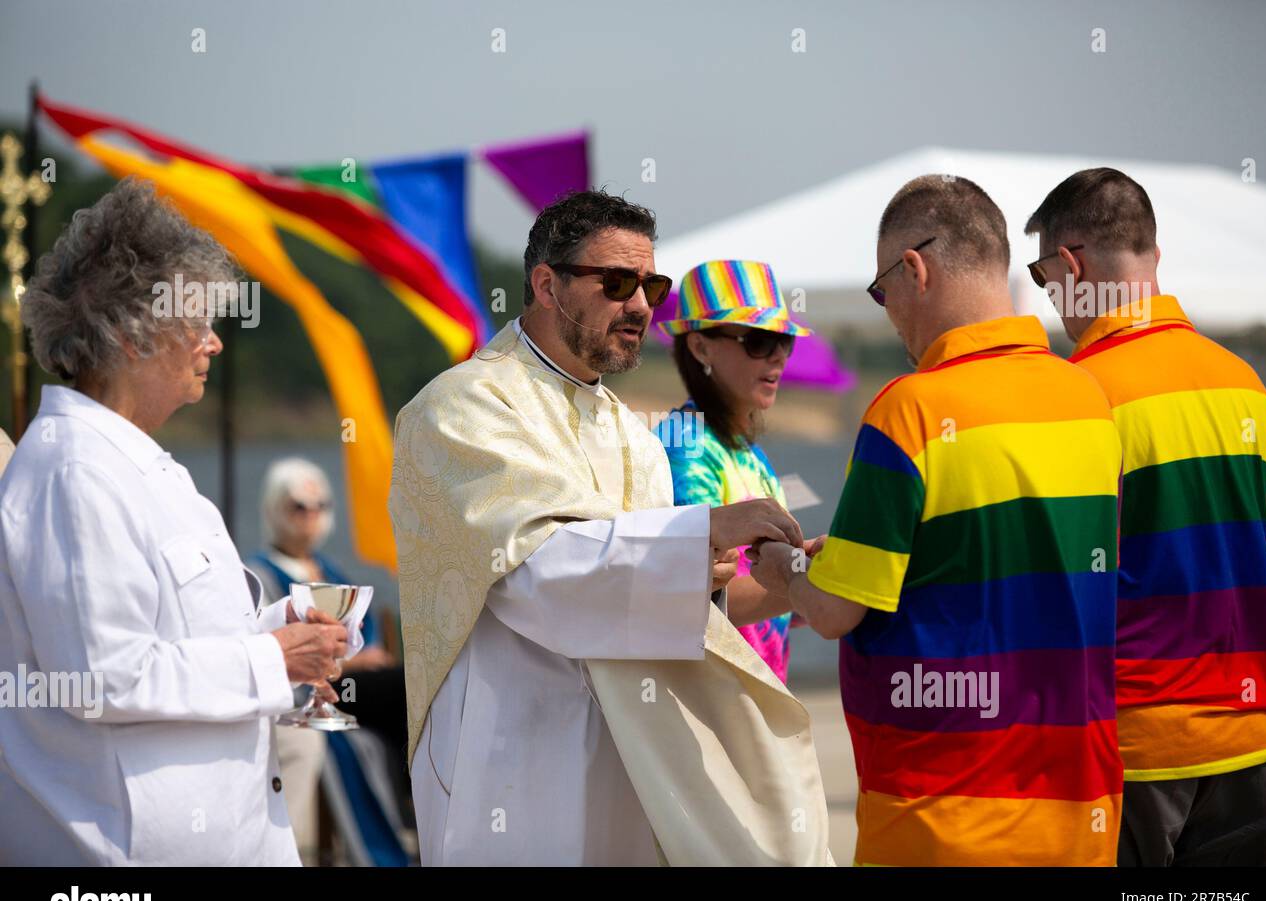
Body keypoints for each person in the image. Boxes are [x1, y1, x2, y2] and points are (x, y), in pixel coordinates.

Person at [390, 189, 832, 866]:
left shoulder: (636, 436)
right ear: (546, 284)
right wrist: (702, 537)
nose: (641, 306)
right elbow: (535, 579)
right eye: (617, 282)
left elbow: (651, 597)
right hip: (511, 764)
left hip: (634, 762)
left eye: (651, 284)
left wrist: (744, 577)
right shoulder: (463, 406)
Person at [750, 175, 1125, 866]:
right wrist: (875, 559)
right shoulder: (1088, 398)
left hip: (944, 820)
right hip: (1083, 812)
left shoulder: (910, 411)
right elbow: (1014, 564)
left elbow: (832, 611)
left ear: (913, 269)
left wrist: (783, 566)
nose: (887, 312)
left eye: (881, 289)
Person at [0, 178, 348, 865]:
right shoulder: (77, 474)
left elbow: (175, 644)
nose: (213, 344)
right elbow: (102, 677)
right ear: (134, 334)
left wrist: (278, 635)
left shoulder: (143, 468)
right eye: (199, 323)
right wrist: (270, 658)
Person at [1024, 168, 1266, 866]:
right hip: (1254, 747)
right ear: (1155, 258)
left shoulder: (1081, 395)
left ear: (1071, 264)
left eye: (1044, 277)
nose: (1053, 299)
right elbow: (1249, 548)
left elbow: (1059, 588)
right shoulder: (1247, 385)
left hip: (1135, 752)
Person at [655, 259, 816, 682]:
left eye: (784, 340)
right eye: (758, 340)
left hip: (749, 702)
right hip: (713, 713)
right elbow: (702, 598)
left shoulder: (745, 452)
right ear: (700, 347)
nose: (778, 355)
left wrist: (808, 568)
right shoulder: (685, 443)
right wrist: (806, 580)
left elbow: (762, 607)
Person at [248, 457, 411, 867]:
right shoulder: (259, 574)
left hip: (361, 688)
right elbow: (268, 642)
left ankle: (421, 804)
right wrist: (351, 665)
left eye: (320, 506)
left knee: (417, 695)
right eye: (298, 506)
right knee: (406, 688)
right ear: (274, 508)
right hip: (312, 692)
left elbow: (366, 632)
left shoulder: (332, 570)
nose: (311, 515)